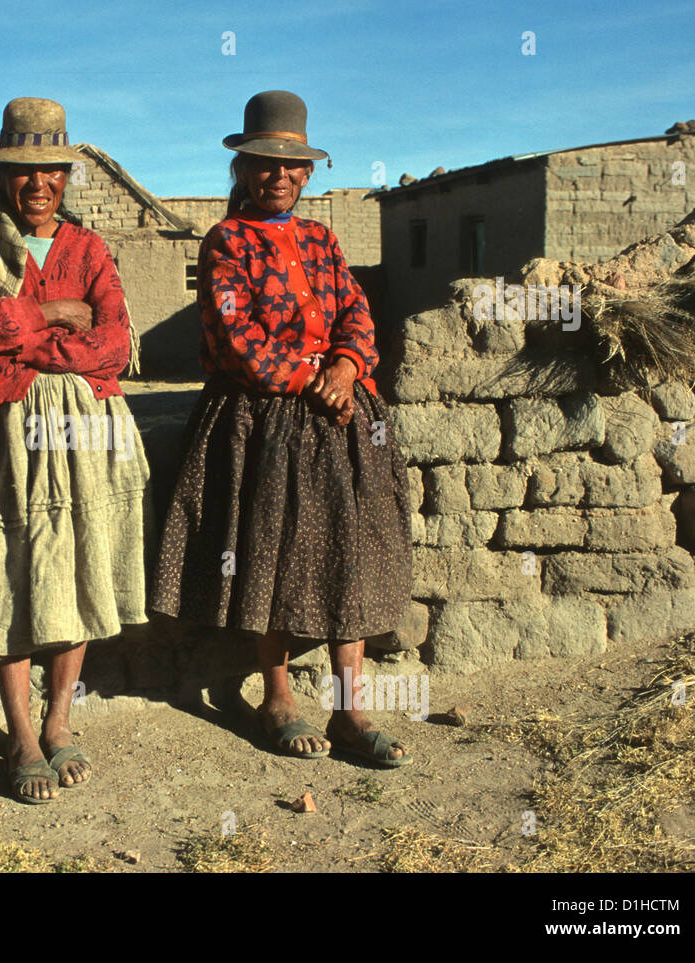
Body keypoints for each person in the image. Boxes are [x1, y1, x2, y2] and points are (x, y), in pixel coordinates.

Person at [150, 91, 415, 767]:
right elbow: (236, 336)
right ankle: (277, 699)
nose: (279, 175)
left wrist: (349, 367)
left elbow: (358, 310)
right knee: (272, 549)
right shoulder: (225, 244)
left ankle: (351, 712)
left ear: (307, 173)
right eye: (264, 162)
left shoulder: (323, 240)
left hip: (340, 417)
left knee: (346, 556)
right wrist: (309, 380)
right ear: (241, 168)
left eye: (292, 164)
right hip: (262, 421)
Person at [0, 97, 150, 803]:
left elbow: (113, 341)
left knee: (76, 564)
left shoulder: (88, 249)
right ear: (1, 175)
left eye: (51, 169)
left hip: (84, 436)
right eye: (22, 170)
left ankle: (61, 719)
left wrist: (23, 335)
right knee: (6, 574)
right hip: (1, 432)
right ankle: (18, 732)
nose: (38, 183)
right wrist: (49, 316)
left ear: (66, 175)